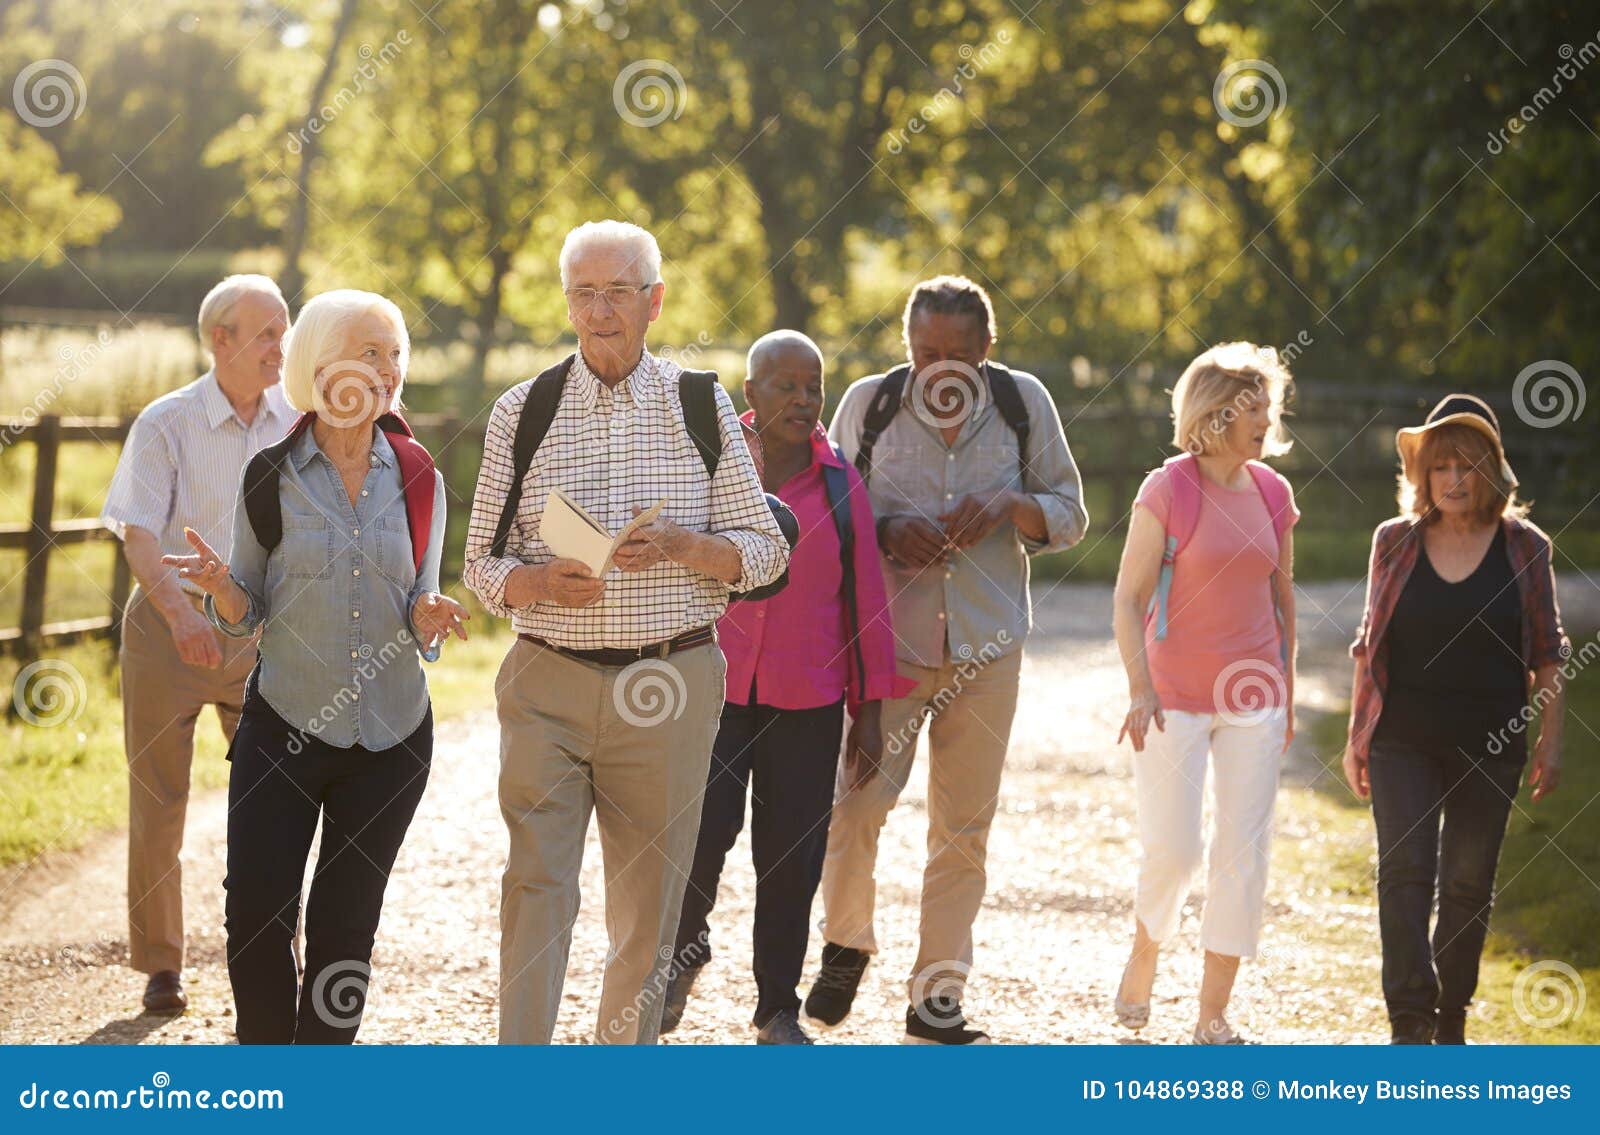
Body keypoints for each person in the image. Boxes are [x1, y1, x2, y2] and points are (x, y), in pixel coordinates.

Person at [463, 220, 790, 1045]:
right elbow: (480, 565)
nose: (599, 311)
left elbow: (765, 549)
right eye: (584, 293)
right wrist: (541, 581)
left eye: (618, 292)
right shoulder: (522, 411)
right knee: (535, 886)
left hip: (669, 683)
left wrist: (684, 545)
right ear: (566, 302)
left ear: (655, 301)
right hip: (546, 679)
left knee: (648, 906)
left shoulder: (699, 404)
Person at [167, 289, 467, 1044]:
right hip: (284, 731)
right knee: (256, 917)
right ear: (320, 364)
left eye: (394, 355)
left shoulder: (419, 474)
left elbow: (421, 597)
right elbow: (247, 610)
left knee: (345, 930)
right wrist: (221, 588)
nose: (387, 370)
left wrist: (429, 614)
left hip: (392, 737)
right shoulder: (270, 474)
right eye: (369, 353)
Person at [806, 275, 1088, 1044]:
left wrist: (1010, 505)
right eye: (925, 352)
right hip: (888, 647)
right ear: (907, 344)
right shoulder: (869, 404)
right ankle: (845, 944)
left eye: (956, 353)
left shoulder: (1025, 404)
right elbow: (828, 511)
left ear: (987, 347)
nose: (940, 368)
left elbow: (1071, 513)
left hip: (987, 650)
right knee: (856, 803)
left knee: (963, 828)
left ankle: (937, 997)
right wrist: (886, 528)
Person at [660, 331, 909, 1045]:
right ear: (751, 392)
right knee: (699, 834)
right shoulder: (709, 465)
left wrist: (870, 713)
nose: (804, 400)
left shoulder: (841, 486)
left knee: (790, 857)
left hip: (809, 701)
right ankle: (681, 954)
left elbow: (866, 603)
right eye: (786, 386)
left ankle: (776, 1007)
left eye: (814, 387)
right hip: (714, 691)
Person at [1343, 394, 1568, 1045]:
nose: (1454, 479)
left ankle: (1450, 1020)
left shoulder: (1526, 548)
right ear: (1424, 474)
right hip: (1402, 740)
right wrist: (1358, 737)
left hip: (1492, 743)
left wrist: (1551, 742)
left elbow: (1549, 653)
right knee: (1404, 874)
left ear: (1491, 472)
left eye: (1468, 465)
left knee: (1467, 885)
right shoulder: (1394, 541)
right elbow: (1370, 645)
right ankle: (1409, 1019)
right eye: (1441, 466)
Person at [100, 274, 294, 1014]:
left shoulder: (296, 420)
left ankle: (273, 958)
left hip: (262, 632)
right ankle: (161, 964)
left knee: (277, 802)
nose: (281, 346)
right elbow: (140, 534)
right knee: (159, 799)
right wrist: (182, 616)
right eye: (267, 332)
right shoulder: (167, 420)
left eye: (285, 330)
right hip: (166, 629)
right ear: (222, 339)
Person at [1110, 342, 1299, 1045]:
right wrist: (1139, 688)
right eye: (1254, 409)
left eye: (1268, 408)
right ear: (1216, 414)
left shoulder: (1273, 493)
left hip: (1256, 696)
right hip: (1173, 696)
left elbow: (1283, 600)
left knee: (1243, 853)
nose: (1267, 421)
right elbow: (1128, 600)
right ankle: (1147, 946)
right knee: (1176, 850)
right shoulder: (1169, 488)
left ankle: (1212, 1012)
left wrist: (1287, 690)